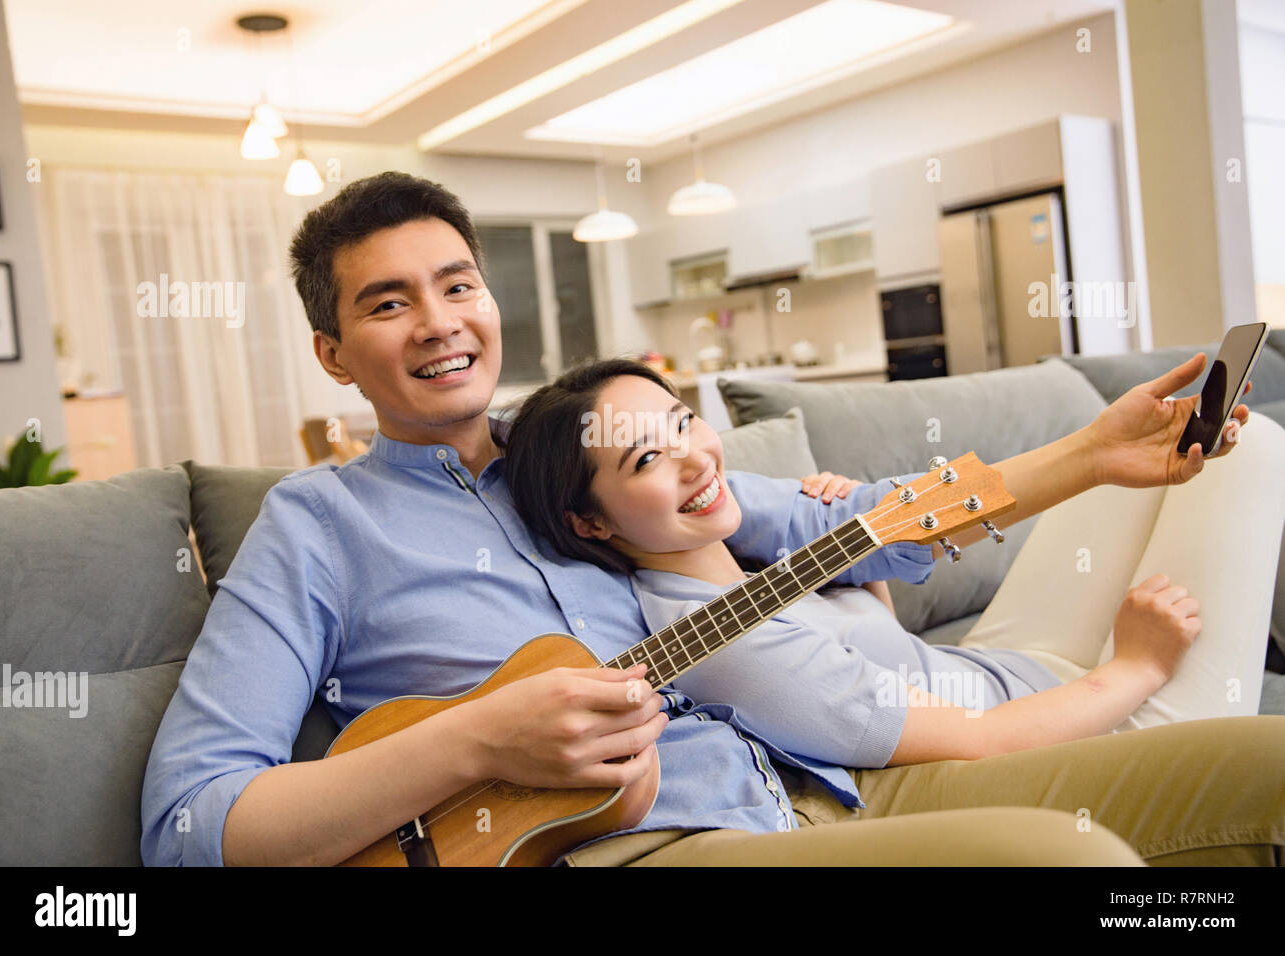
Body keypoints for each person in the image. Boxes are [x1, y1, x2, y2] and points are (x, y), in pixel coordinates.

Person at [138, 172, 1280, 867]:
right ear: (335, 354)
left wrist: (1093, 451)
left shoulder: (586, 452)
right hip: (647, 839)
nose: (439, 322)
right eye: (388, 303)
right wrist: (475, 739)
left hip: (814, 784)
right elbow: (189, 824)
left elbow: (888, 522)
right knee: (1064, 853)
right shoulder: (318, 524)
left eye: (458, 283)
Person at [501, 357, 1285, 866]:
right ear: (590, 524)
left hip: (1001, 657)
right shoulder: (717, 643)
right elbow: (981, 742)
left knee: (1227, 447)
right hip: (1074, 714)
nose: (694, 459)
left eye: (681, 422)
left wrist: (859, 577)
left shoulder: (745, 536)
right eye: (645, 460)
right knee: (1259, 456)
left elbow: (881, 638)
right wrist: (1138, 666)